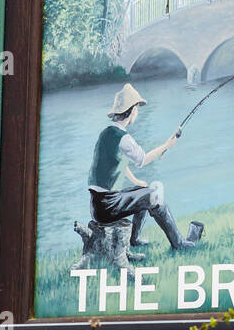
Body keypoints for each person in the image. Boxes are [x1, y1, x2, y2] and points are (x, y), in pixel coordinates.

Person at [87, 83, 202, 251]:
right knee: (154, 195)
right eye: (137, 108)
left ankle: (134, 239)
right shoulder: (123, 137)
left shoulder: (106, 133)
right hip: (108, 206)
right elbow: (142, 160)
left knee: (143, 189)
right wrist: (166, 146)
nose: (137, 112)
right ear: (132, 110)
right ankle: (179, 244)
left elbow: (116, 164)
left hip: (98, 205)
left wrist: (135, 181)